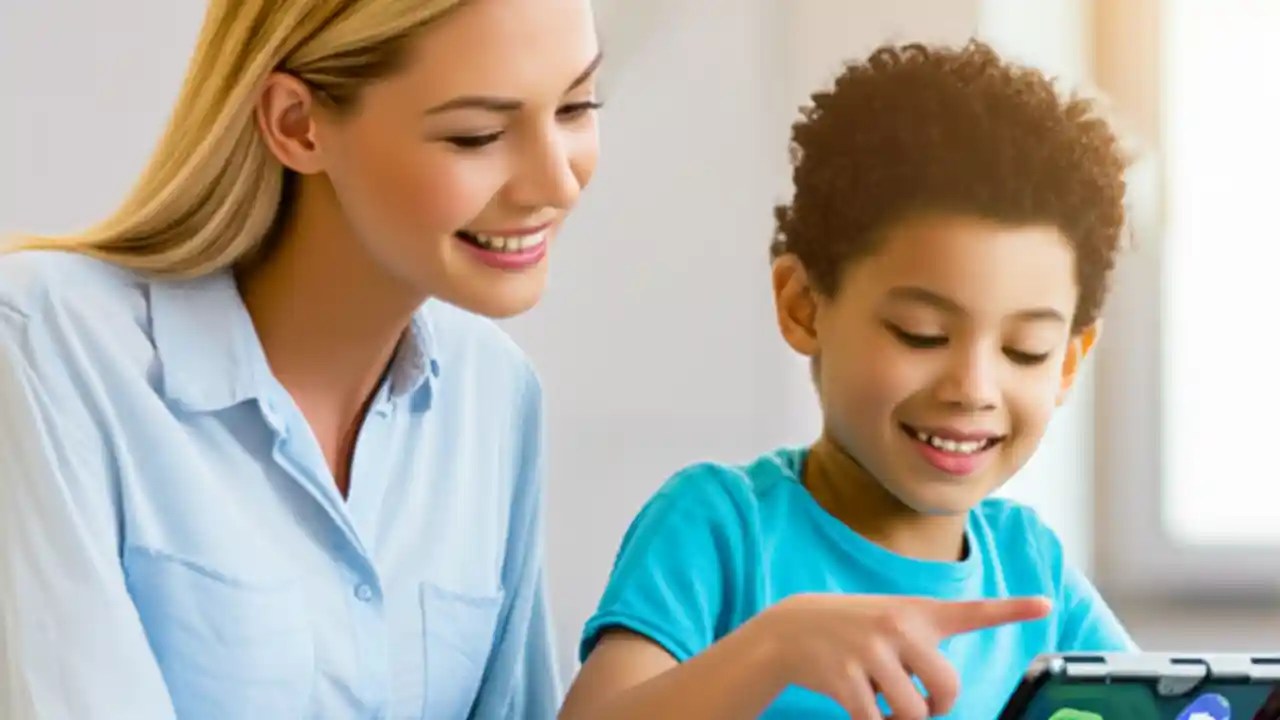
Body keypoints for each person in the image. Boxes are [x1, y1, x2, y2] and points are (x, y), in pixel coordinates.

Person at [0, 0, 600, 718]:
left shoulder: (494, 393)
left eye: (576, 107)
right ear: (295, 123)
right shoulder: (46, 344)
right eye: (478, 135)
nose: (557, 183)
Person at [559, 40, 1133, 720]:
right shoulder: (722, 529)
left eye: (1026, 349)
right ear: (804, 305)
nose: (973, 387)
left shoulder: (1033, 572)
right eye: (921, 333)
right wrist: (776, 647)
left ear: (1068, 361)